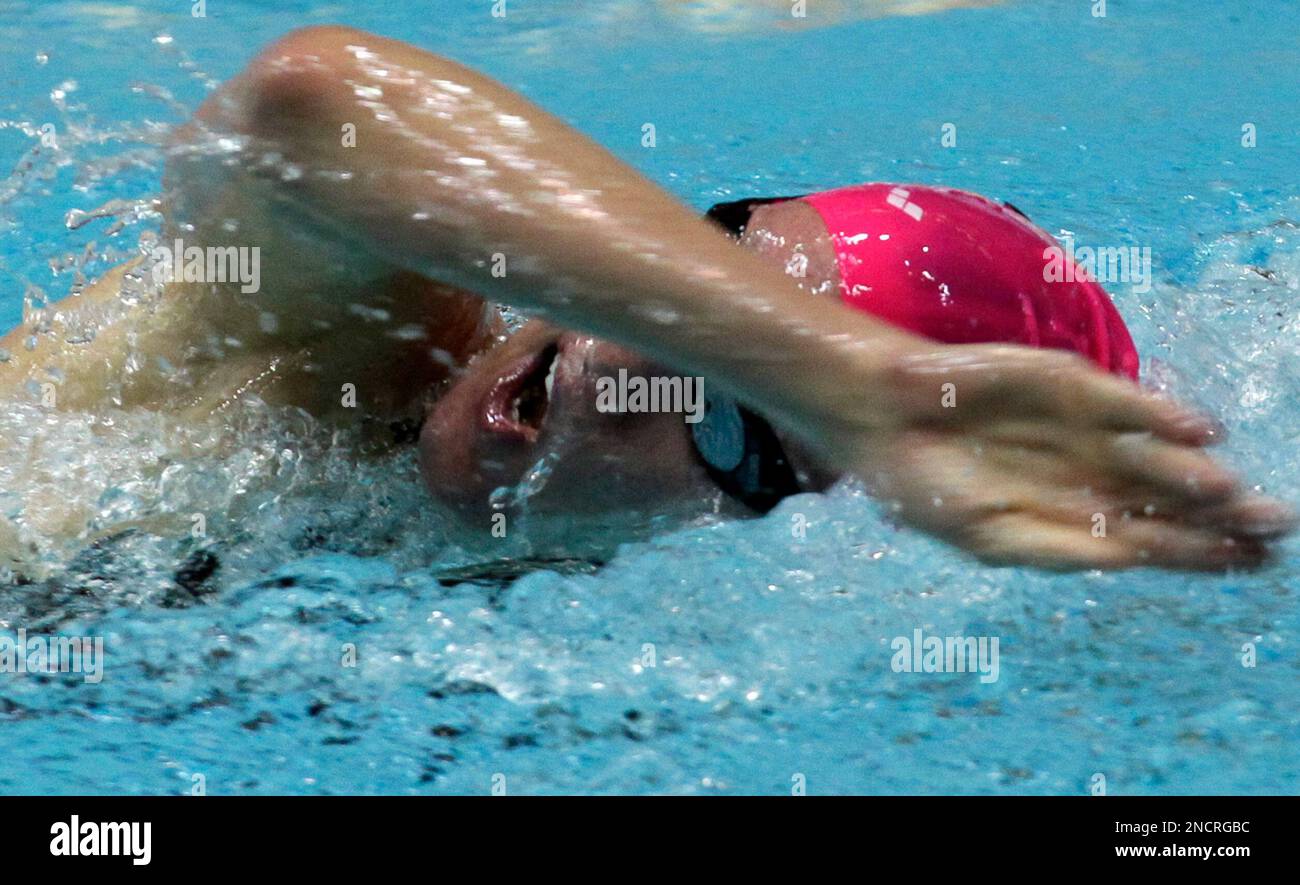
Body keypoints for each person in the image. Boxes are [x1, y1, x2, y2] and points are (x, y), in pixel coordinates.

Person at [0, 26, 1291, 573]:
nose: (603, 367)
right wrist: (843, 378)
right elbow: (313, 98)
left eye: (733, 424)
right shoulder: (365, 335)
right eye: (699, 288)